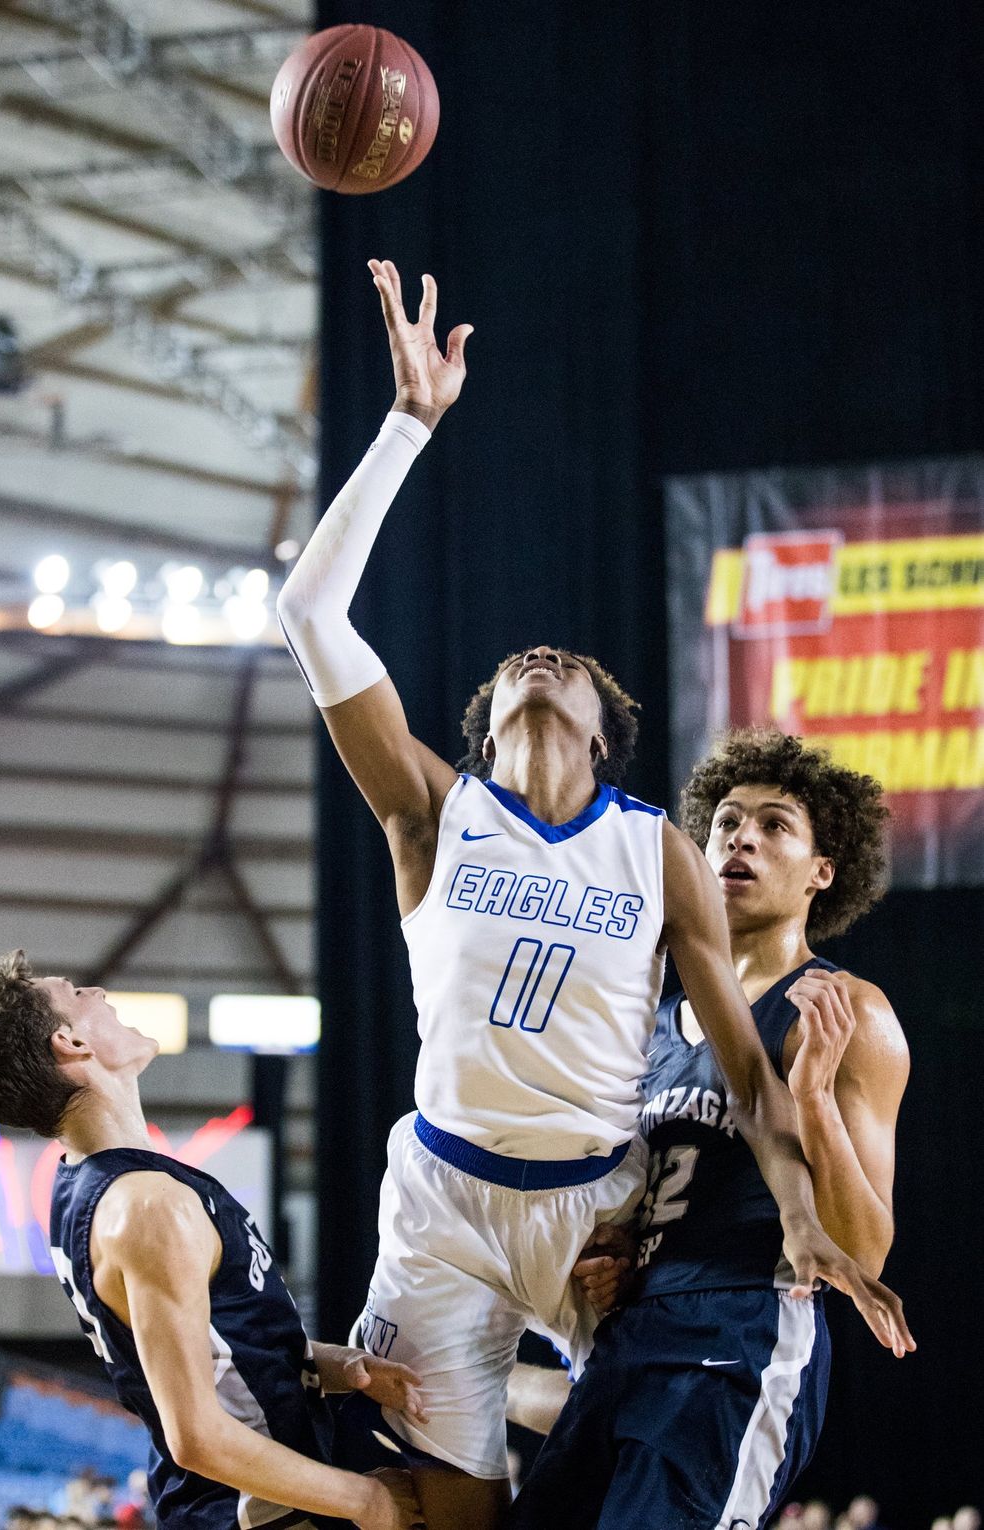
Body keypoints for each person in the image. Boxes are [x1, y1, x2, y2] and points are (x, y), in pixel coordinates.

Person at [274, 261, 912, 1530]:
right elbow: (308, 608)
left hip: (597, 1210)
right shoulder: (433, 810)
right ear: (492, 719)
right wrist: (409, 423)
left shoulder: (654, 851)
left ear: (604, 731)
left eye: (565, 661)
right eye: (522, 659)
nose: (540, 654)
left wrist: (800, 1203)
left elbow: (739, 1054)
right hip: (445, 1199)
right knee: (450, 1512)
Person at [504, 730, 911, 1530]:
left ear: (822, 873)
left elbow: (863, 1251)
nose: (741, 839)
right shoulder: (648, 1013)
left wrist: (817, 1101)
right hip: (631, 1333)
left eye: (774, 826)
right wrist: (617, 1242)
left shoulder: (847, 1009)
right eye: (725, 822)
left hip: (745, 1325)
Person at [0, 957, 425, 1530]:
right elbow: (197, 1436)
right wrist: (366, 1501)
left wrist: (335, 1363)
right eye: (78, 992)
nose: (100, 990)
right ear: (71, 1041)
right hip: (251, 1512)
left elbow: (220, 1350)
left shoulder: (89, 1181)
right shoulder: (146, 1205)